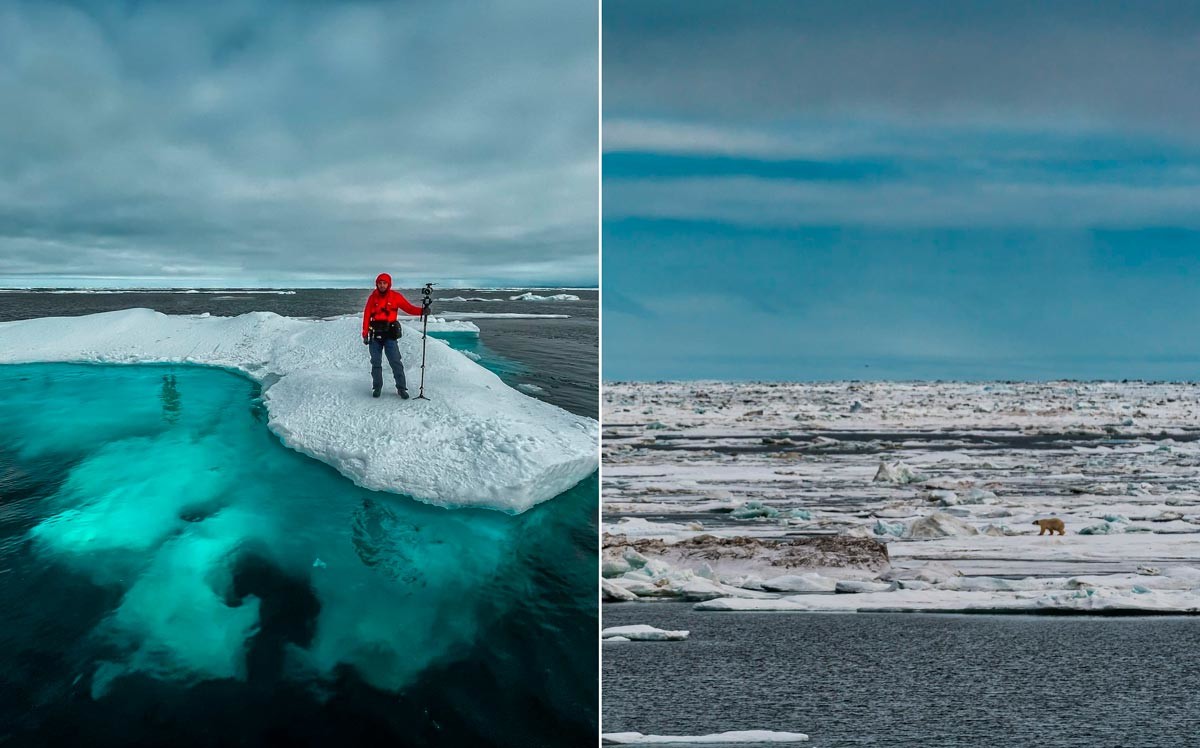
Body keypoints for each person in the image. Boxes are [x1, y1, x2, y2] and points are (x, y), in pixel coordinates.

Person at [362, 273, 427, 398]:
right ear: (377, 284)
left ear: (389, 284)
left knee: (395, 362)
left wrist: (422, 311)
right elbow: (366, 316)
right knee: (376, 362)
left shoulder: (396, 297)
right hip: (375, 335)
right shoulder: (372, 298)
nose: (382, 285)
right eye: (380, 283)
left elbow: (409, 308)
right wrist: (365, 334)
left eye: (384, 283)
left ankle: (401, 388)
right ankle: (377, 387)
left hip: (390, 336)